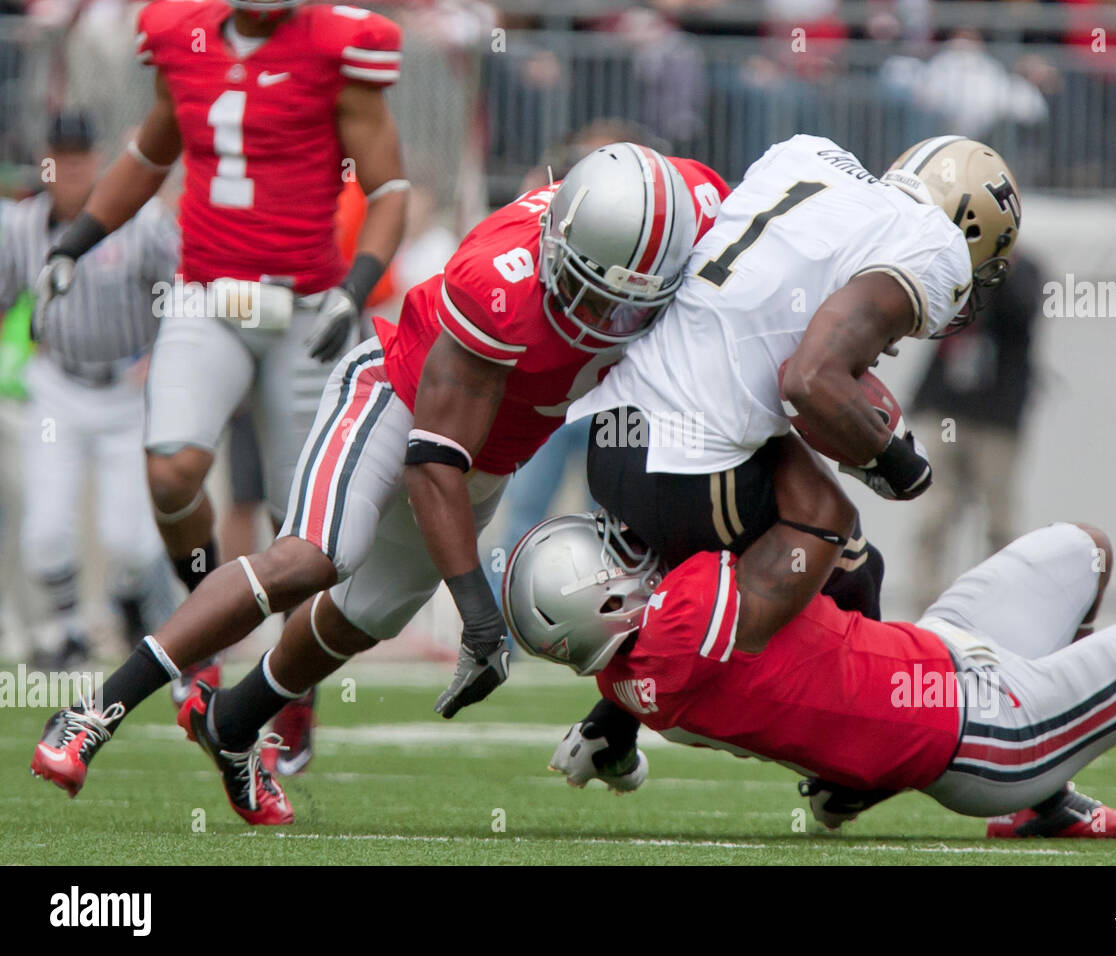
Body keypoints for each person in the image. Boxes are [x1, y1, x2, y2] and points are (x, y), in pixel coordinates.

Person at [32, 143, 729, 825]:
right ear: (556, 243)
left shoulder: (698, 207)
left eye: (621, 304)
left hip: (487, 455)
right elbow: (433, 461)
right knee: (312, 557)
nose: (599, 320)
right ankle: (93, 709)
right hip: (397, 400)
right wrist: (479, 618)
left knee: (368, 614)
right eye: (582, 290)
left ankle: (234, 723)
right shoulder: (499, 281)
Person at [551, 134, 1012, 812]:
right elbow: (809, 381)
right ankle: (852, 766)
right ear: (969, 229)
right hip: (691, 465)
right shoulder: (932, 246)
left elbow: (760, 324)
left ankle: (615, 724)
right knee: (840, 550)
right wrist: (892, 463)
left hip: (614, 430)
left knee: (844, 563)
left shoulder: (806, 154)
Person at [30, 0, 409, 714]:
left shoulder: (337, 47)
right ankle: (201, 628)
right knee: (173, 470)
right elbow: (151, 152)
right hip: (209, 293)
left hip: (305, 305)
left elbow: (388, 189)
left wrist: (352, 289)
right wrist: (74, 242)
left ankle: (285, 703)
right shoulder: (182, 35)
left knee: (302, 535)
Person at [504, 511, 1116, 837]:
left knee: (1083, 548)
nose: (632, 551)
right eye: (611, 560)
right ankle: (1039, 785)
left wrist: (613, 737)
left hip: (938, 654)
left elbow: (636, 705)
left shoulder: (632, 674)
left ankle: (1046, 804)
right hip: (994, 732)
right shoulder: (685, 620)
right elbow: (823, 524)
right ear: (603, 599)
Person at [0, 112, 179, 669]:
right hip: (58, 385)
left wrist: (163, 358)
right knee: (46, 530)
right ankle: (72, 631)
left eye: (80, 158)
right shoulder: (19, 226)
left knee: (131, 540)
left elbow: (182, 291)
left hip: (127, 387)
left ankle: (128, 603)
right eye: (60, 158)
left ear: (98, 162)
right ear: (45, 163)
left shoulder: (141, 222)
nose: (70, 170)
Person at [909, 247, 1042, 611]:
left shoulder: (1025, 269)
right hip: (948, 410)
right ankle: (927, 607)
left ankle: (997, 608)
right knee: (935, 514)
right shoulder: (952, 259)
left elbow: (1023, 312)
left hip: (996, 419)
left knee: (999, 521)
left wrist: (999, 268)